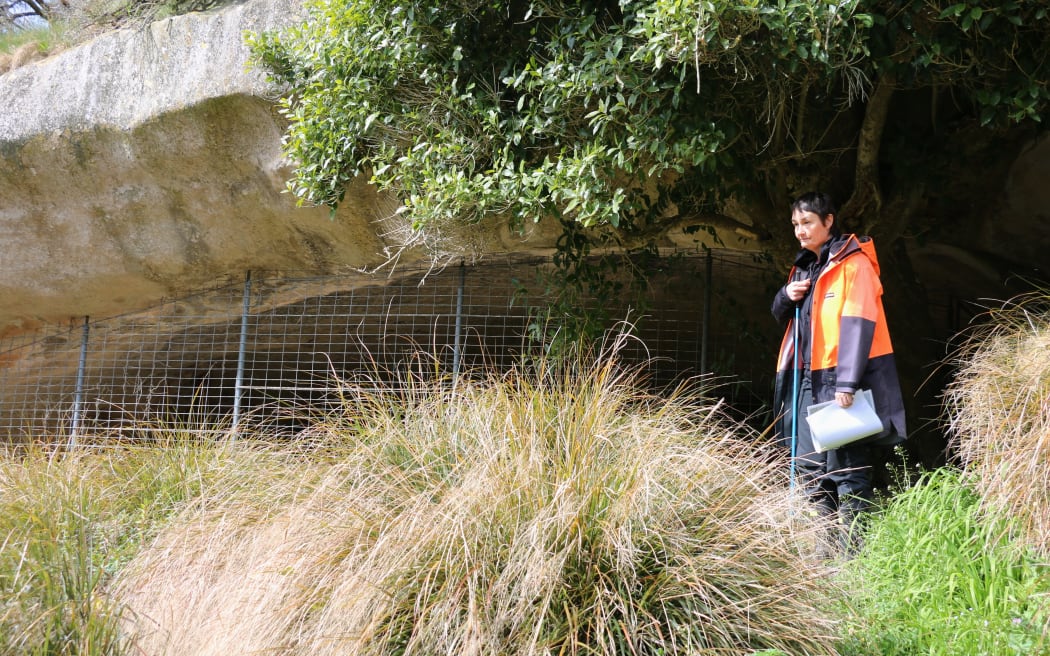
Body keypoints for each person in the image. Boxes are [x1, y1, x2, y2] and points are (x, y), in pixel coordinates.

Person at [771, 191, 907, 553]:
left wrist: (846, 382)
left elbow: (859, 324)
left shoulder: (854, 263)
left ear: (828, 221)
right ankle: (823, 555)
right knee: (810, 471)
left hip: (840, 381)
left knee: (848, 472)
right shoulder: (803, 268)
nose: (800, 231)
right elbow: (779, 314)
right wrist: (787, 295)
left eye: (808, 223)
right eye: (796, 224)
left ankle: (854, 557)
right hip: (806, 381)